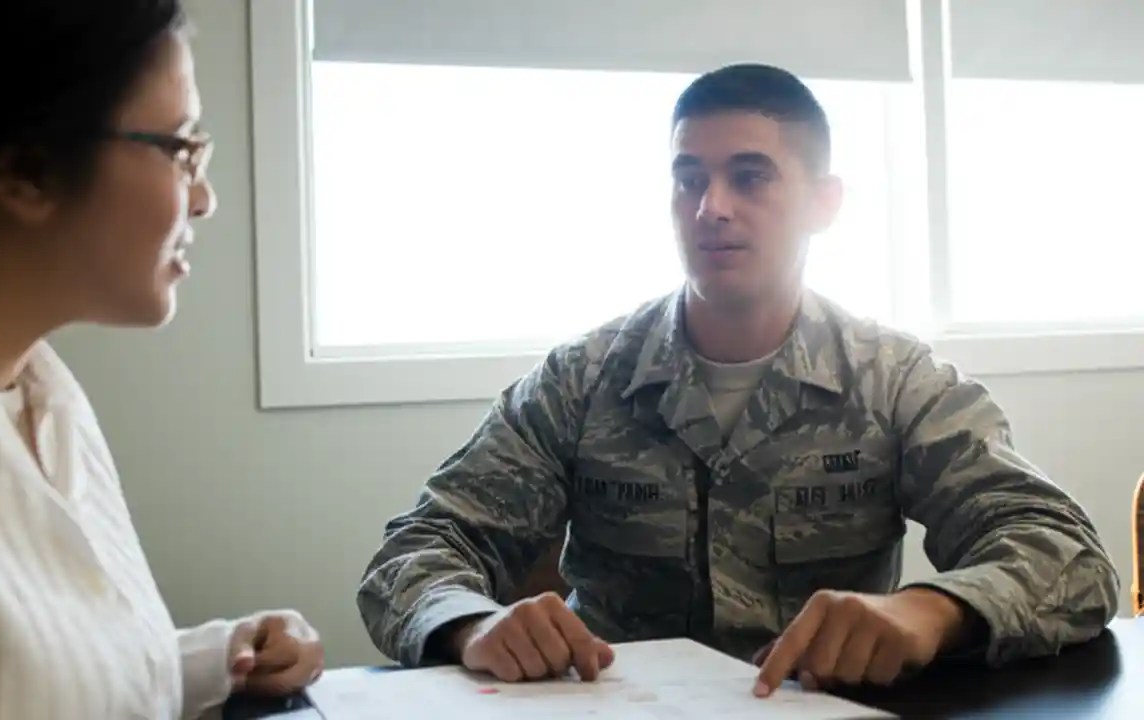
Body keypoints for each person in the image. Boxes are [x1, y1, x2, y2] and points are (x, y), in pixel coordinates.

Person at [357, 64, 1119, 697]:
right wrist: (472, 623)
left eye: (749, 177)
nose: (710, 208)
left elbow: (1067, 556)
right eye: (689, 179)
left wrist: (930, 613)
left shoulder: (892, 381)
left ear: (824, 203)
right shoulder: (581, 380)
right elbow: (417, 551)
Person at [0, 2, 322, 718]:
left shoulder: (42, 395)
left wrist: (220, 657)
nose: (203, 198)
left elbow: (30, 678)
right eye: (178, 149)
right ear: (25, 168)